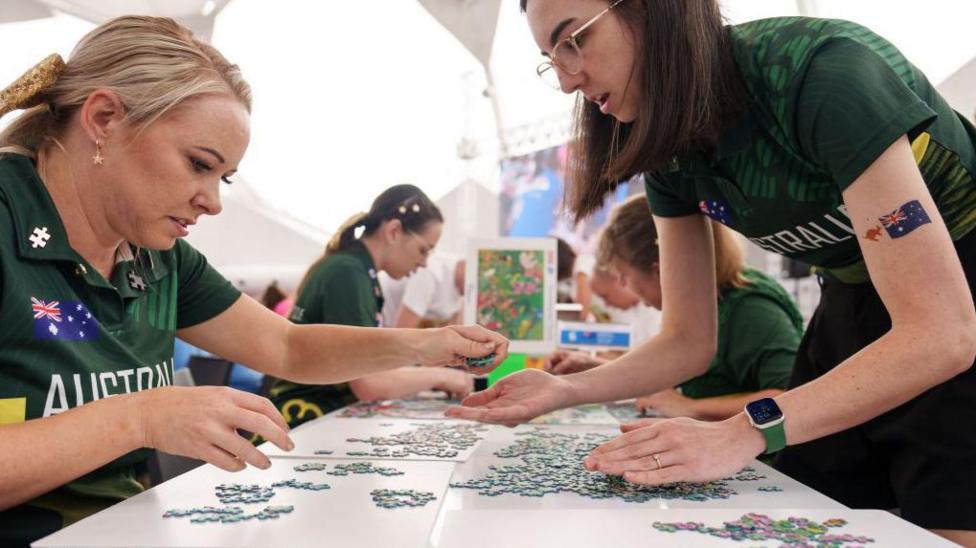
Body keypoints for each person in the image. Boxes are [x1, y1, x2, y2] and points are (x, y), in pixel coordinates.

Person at [448, 2, 976, 543]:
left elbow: (943, 334)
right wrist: (564, 388)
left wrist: (742, 430)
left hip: (959, 281)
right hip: (849, 294)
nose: (565, 80)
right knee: (816, 507)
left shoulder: (825, 76)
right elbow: (686, 341)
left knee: (944, 520)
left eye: (573, 40)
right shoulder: (667, 149)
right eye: (550, 58)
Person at [0, 17, 507, 545]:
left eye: (224, 178)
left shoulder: (158, 257)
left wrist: (430, 346)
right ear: (103, 118)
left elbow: (287, 347)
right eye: (199, 164)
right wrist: (140, 418)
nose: (213, 202)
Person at [547, 195, 802, 421]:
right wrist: (592, 366)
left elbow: (791, 400)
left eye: (623, 275)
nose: (624, 285)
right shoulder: (696, 309)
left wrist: (693, 407)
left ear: (660, 270)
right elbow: (665, 368)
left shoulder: (752, 310)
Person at [270, 185, 476, 428]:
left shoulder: (356, 270)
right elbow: (370, 383)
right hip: (306, 418)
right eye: (424, 250)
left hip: (318, 416)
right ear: (394, 231)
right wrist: (445, 377)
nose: (424, 263)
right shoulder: (348, 273)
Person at [382, 254, 465, 329]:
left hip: (391, 327)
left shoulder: (462, 291)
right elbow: (402, 331)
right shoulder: (431, 273)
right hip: (380, 320)